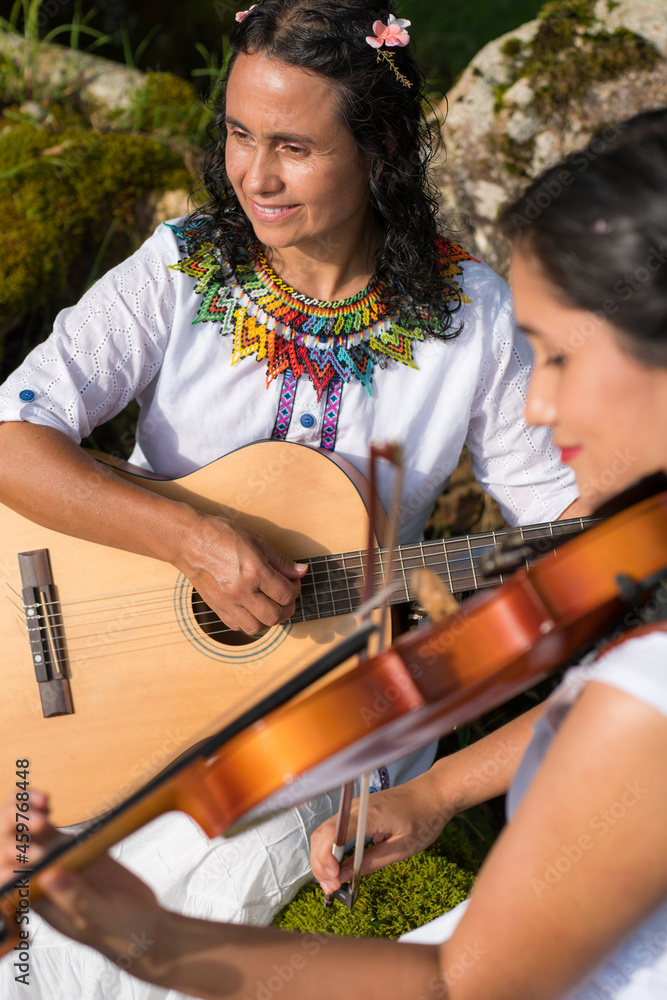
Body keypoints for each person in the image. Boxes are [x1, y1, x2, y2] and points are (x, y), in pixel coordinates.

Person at [2, 105, 666, 1000]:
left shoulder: (471, 311)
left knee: (174, 885)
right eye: (238, 135)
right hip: (111, 651)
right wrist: (191, 538)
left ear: (379, 147)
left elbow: (572, 526)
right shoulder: (183, 263)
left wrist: (427, 793)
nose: (255, 175)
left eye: (294, 146)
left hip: (333, 701)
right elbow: (17, 430)